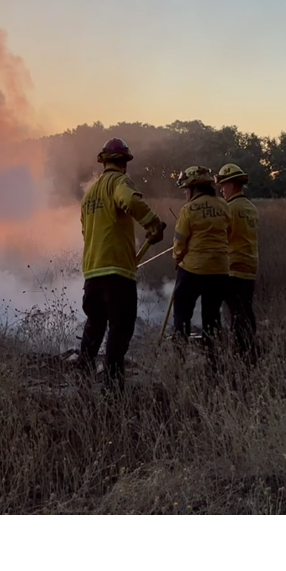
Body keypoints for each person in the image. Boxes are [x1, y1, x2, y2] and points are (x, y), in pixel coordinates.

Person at [77, 137, 166, 391]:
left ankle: (83, 376)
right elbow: (131, 200)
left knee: (95, 325)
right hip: (117, 273)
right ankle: (113, 389)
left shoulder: (89, 195)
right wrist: (153, 225)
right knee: (120, 328)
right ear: (125, 163)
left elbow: (86, 233)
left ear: (103, 161)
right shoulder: (119, 182)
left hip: (92, 273)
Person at [170, 165, 230, 371]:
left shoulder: (188, 210)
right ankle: (213, 360)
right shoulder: (224, 206)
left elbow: (179, 242)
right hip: (220, 270)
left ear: (195, 187)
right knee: (212, 316)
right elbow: (228, 233)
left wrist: (177, 259)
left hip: (193, 269)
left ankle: (179, 358)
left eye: (187, 189)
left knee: (182, 312)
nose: (185, 193)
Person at [216, 163, 259, 365]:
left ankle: (241, 355)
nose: (221, 189)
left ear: (233, 184)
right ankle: (251, 349)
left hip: (232, 268)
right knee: (245, 310)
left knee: (235, 314)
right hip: (249, 267)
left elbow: (220, 237)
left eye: (224, 185)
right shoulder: (251, 208)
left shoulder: (229, 209)